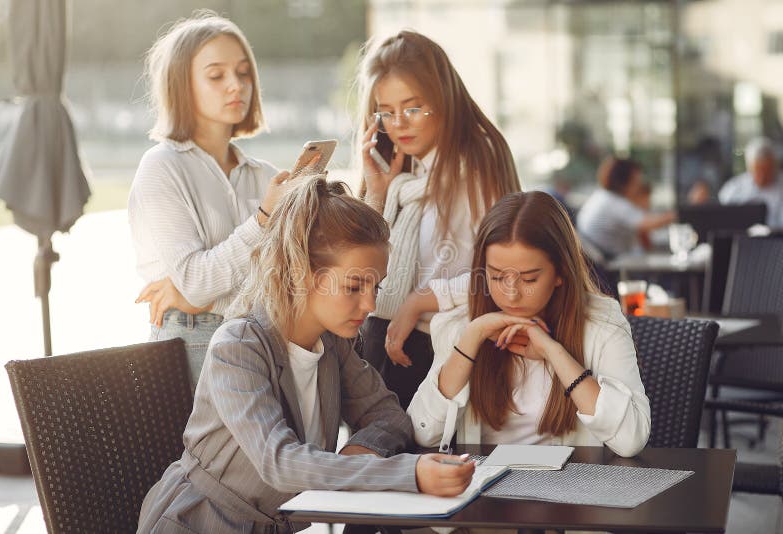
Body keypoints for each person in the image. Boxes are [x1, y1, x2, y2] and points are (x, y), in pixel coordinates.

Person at [137, 177, 475, 534]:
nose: (371, 304)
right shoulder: (237, 347)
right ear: (301, 272)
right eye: (354, 286)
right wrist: (408, 474)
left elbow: (390, 417)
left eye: (376, 286)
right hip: (199, 524)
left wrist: (356, 456)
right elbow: (280, 463)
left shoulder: (333, 345)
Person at [128, 12, 304, 385]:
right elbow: (194, 281)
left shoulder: (265, 175)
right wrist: (262, 219)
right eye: (216, 75)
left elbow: (288, 283)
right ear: (182, 84)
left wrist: (209, 299)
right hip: (191, 347)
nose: (236, 86)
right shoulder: (161, 167)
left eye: (243, 73)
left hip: (264, 343)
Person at [408, 191, 650, 457]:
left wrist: (554, 352)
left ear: (561, 273)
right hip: (485, 491)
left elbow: (631, 441)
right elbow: (422, 431)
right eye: (498, 277)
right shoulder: (461, 325)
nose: (511, 294)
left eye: (529, 279)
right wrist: (471, 338)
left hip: (570, 491)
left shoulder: (602, 325)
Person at [356, 30, 521, 410]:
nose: (398, 124)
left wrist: (417, 301)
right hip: (396, 347)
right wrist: (379, 192)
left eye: (413, 107)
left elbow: (503, 274)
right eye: (386, 112)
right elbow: (366, 267)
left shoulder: (475, 163)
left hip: (449, 351)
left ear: (442, 98)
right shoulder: (410, 175)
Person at [576, 156, 676, 258]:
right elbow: (648, 224)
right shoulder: (614, 202)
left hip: (600, 261)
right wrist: (679, 214)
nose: (640, 184)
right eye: (636, 180)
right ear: (624, 181)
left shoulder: (602, 197)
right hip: (607, 266)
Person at [719, 136, 783, 228]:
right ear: (749, 168)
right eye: (757, 172)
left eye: (766, 172)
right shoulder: (735, 187)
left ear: (775, 167)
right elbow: (721, 215)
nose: (762, 178)